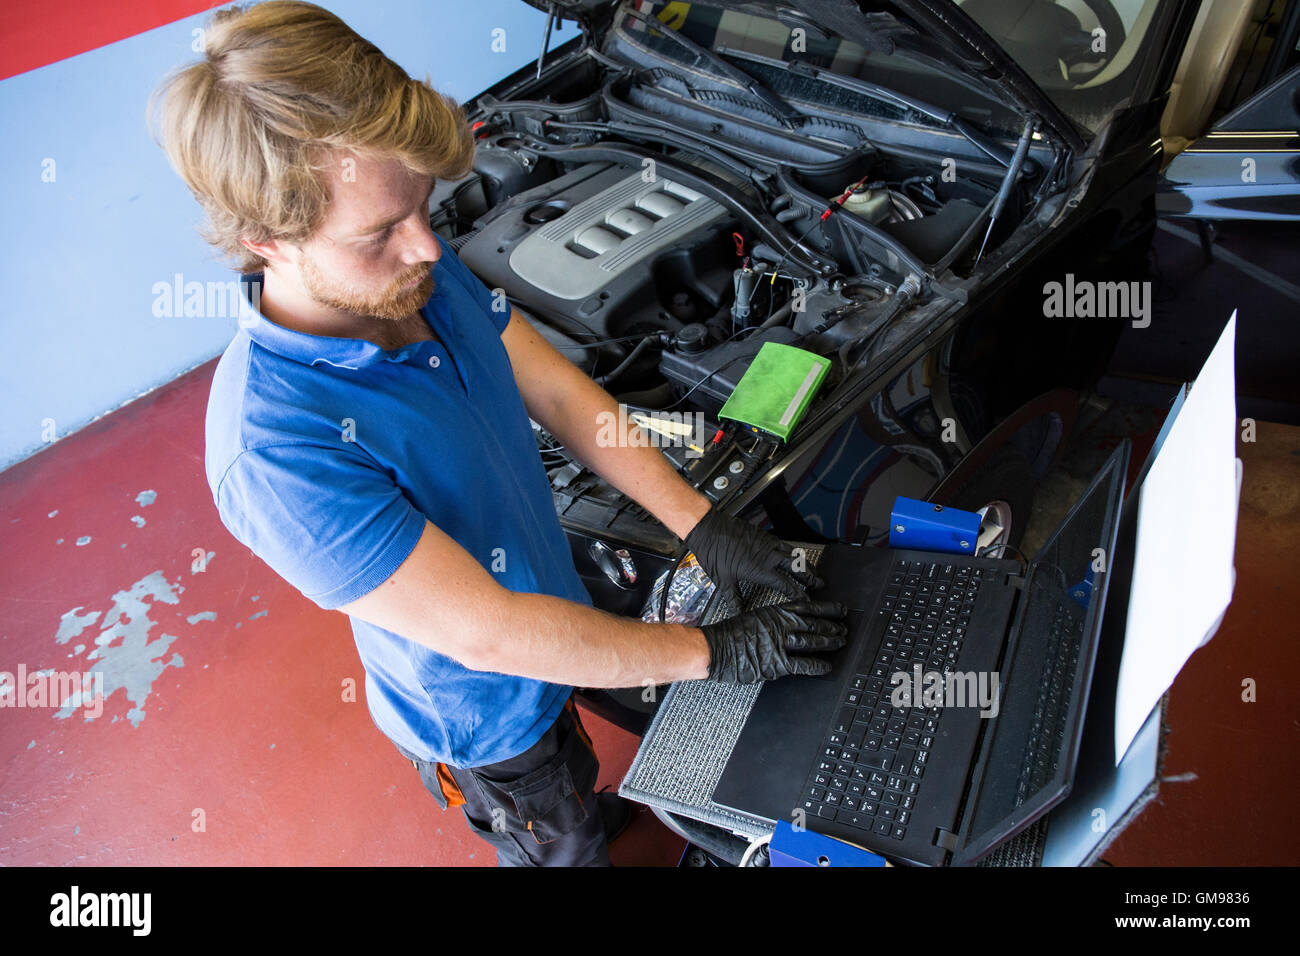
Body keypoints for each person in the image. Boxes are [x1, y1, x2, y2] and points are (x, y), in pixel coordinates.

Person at [150, 0, 847, 867]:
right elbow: (490, 632)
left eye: (423, 209)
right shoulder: (275, 450)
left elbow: (554, 390)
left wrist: (703, 527)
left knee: (575, 764)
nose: (429, 250)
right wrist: (720, 652)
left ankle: (584, 809)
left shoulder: (409, 282)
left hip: (548, 627)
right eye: (379, 234)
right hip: (486, 719)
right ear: (268, 243)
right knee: (557, 827)